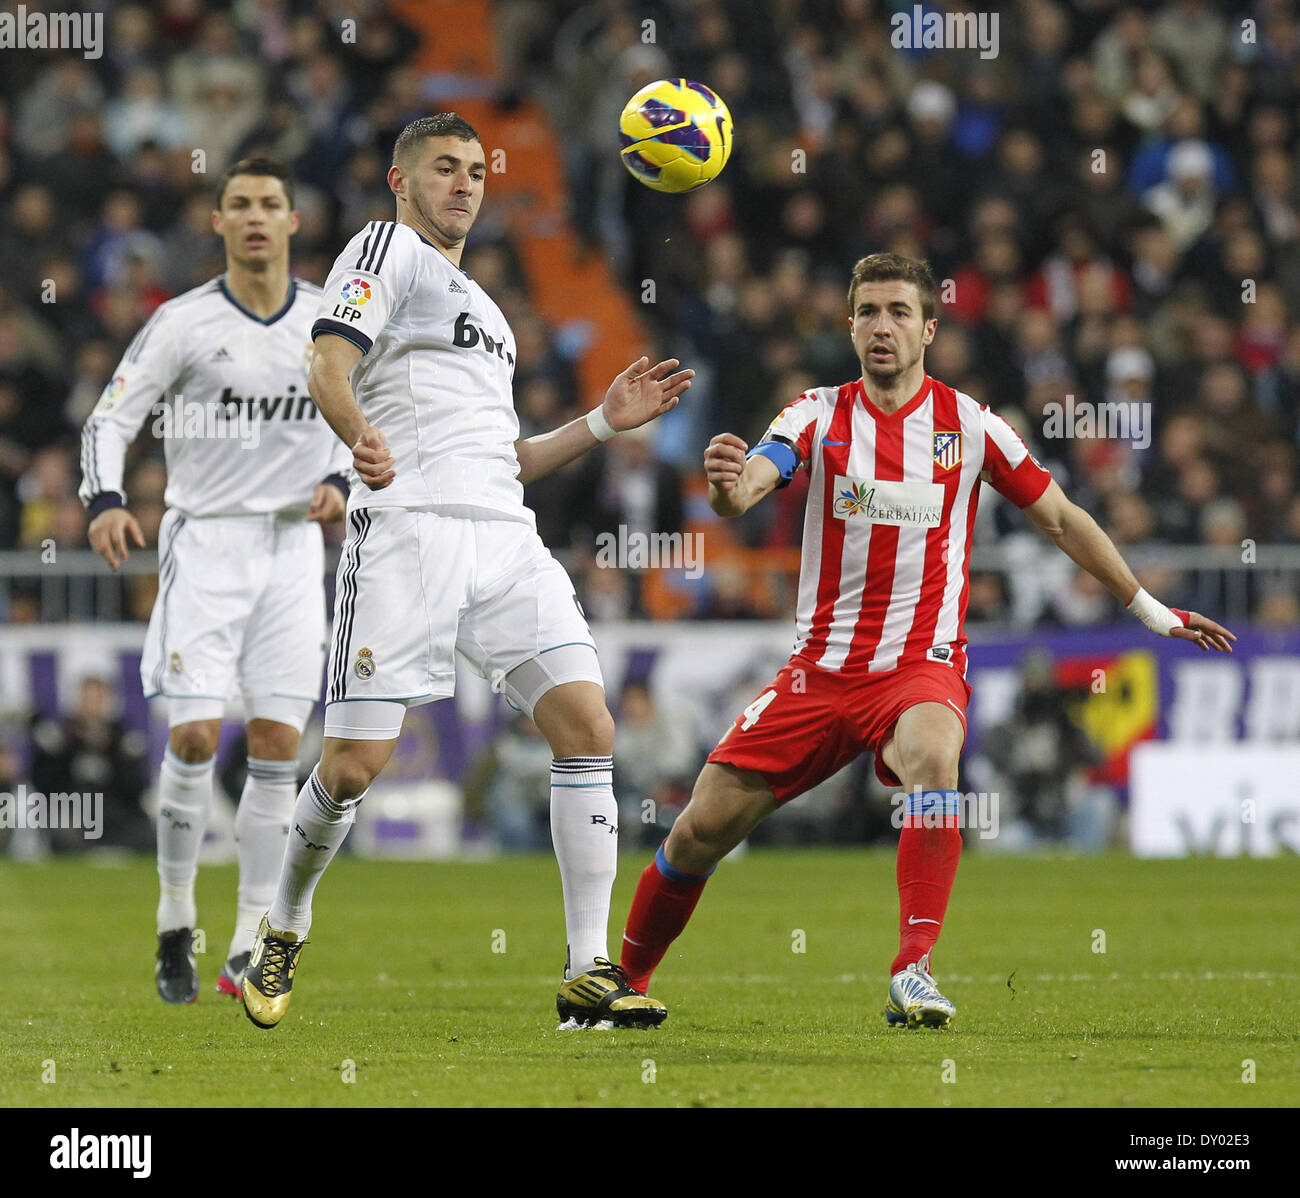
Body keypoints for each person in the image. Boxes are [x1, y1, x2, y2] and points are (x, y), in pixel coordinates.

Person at [617, 252, 1235, 1028]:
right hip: (821, 674)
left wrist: (1149, 608)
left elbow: (1062, 518)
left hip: (921, 665)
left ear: (929, 328)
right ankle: (623, 981)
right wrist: (723, 485)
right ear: (849, 328)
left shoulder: (972, 428)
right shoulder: (814, 412)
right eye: (868, 312)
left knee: (935, 756)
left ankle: (913, 969)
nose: (883, 326)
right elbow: (752, 486)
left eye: (899, 312)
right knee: (701, 828)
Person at [241, 113, 693, 1031]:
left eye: (477, 172)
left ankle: (586, 968)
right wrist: (358, 437)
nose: (465, 184)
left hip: (504, 537)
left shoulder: (486, 311)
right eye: (444, 168)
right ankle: (283, 923)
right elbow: (328, 358)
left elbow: (502, 459)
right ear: (401, 180)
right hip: (406, 532)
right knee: (357, 766)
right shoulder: (386, 249)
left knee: (587, 723)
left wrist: (603, 422)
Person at [80, 157, 351, 1004]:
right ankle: (172, 921)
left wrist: (341, 479)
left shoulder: (327, 323)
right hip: (204, 546)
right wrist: (108, 500)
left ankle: (243, 944)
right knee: (195, 739)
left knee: (277, 749)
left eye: (272, 203)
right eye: (240, 205)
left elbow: (360, 414)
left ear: (295, 222)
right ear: (219, 222)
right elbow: (111, 416)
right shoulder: (182, 323)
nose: (257, 217)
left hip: (292, 554)